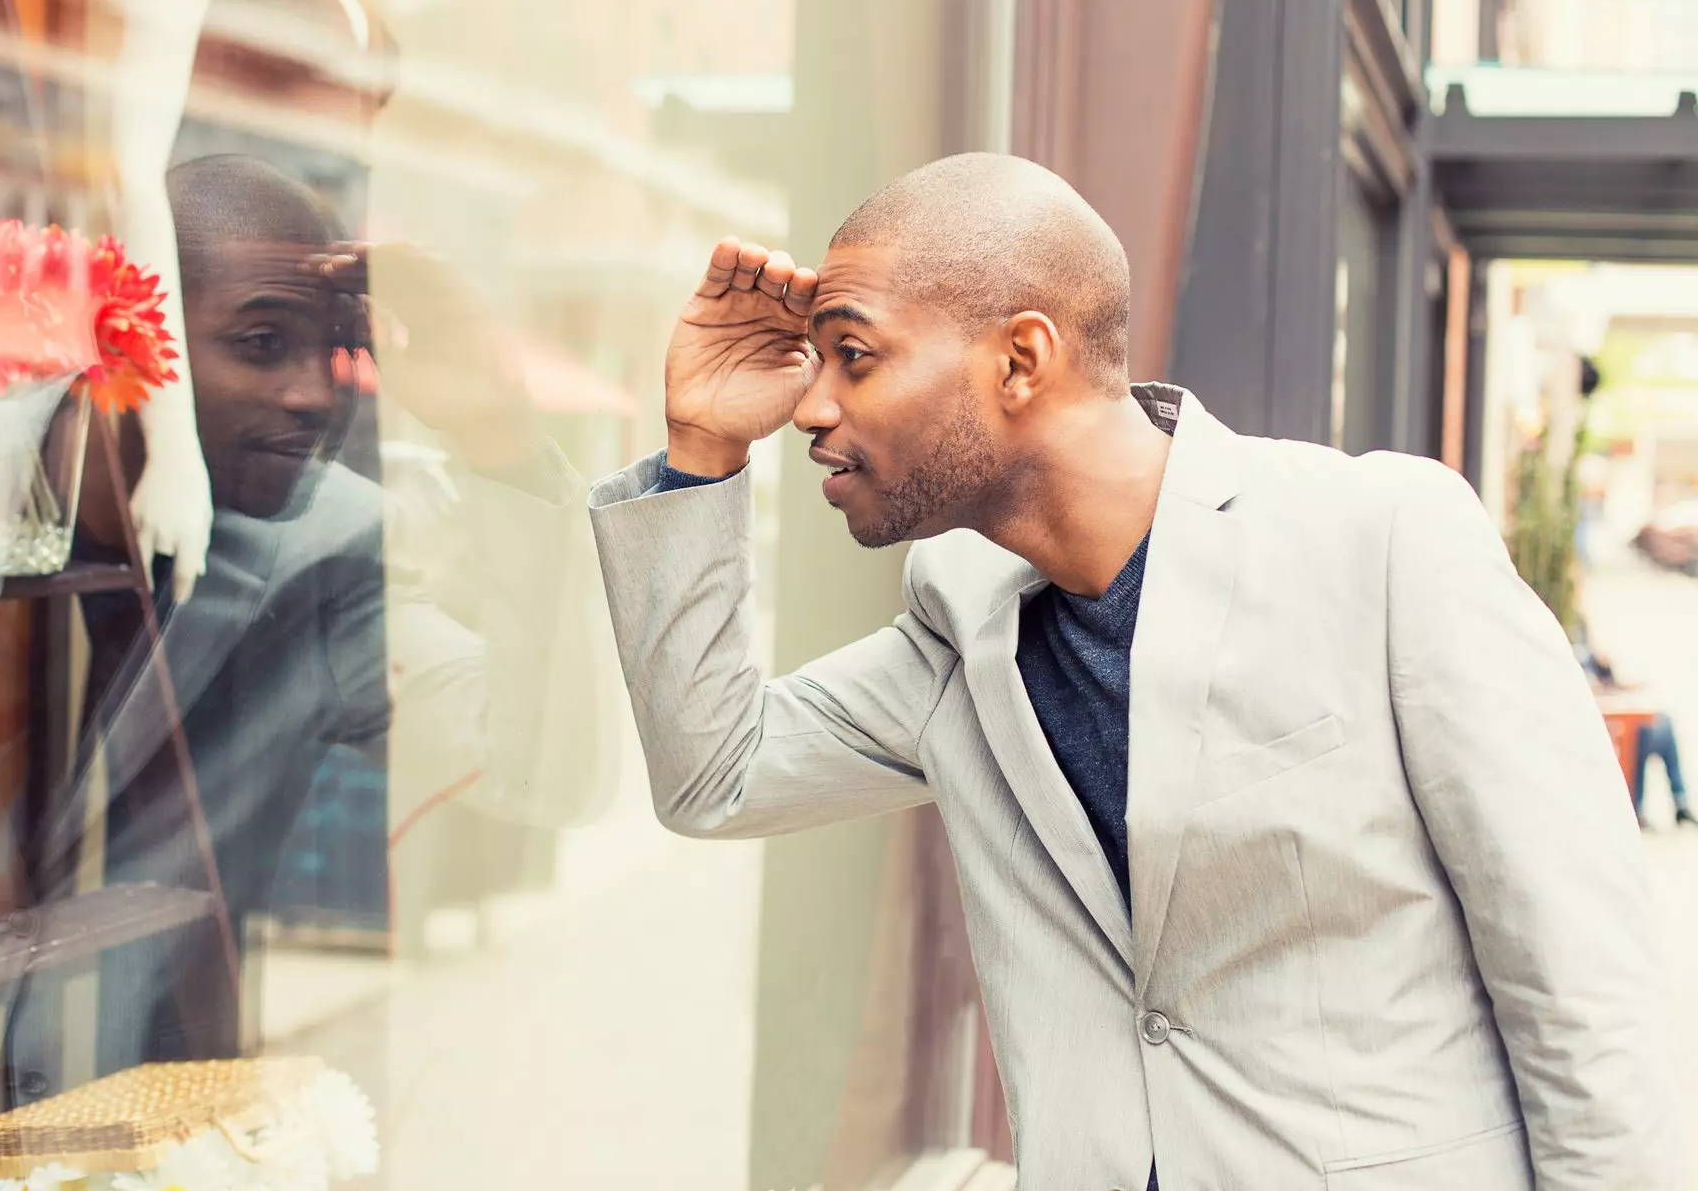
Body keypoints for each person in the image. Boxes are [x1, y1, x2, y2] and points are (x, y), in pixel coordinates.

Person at [588, 152, 1683, 1189]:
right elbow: (713, 775)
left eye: (854, 355)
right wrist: (702, 451)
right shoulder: (961, 632)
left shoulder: (1382, 543)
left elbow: (1582, 990)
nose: (813, 407)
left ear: (1021, 358)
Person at [0, 155, 609, 1189]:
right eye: (263, 342)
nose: (315, 395)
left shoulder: (331, 555)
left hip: (142, 1149)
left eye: (342, 353)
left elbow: (551, 775)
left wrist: (502, 441)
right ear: (128, 338)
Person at [1578, 636, 1696, 827]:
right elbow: (1594, 691)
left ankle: (1679, 802)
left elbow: (1611, 685)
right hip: (1607, 731)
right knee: (1641, 736)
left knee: (1663, 723)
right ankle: (1640, 807)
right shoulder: (1578, 659)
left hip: (1617, 722)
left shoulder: (1595, 659)